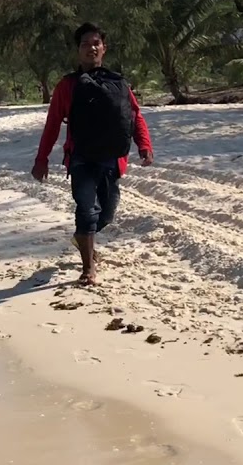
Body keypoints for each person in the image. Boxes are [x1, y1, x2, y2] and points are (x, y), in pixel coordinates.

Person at [32, 23, 154, 286]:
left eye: (96, 43)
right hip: (81, 159)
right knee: (86, 209)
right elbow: (53, 124)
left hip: (111, 159)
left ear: (104, 48)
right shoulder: (67, 85)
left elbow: (134, 115)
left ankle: (82, 237)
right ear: (78, 51)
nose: (92, 47)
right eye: (85, 44)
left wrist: (144, 145)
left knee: (106, 214)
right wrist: (41, 160)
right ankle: (88, 268)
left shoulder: (118, 82)